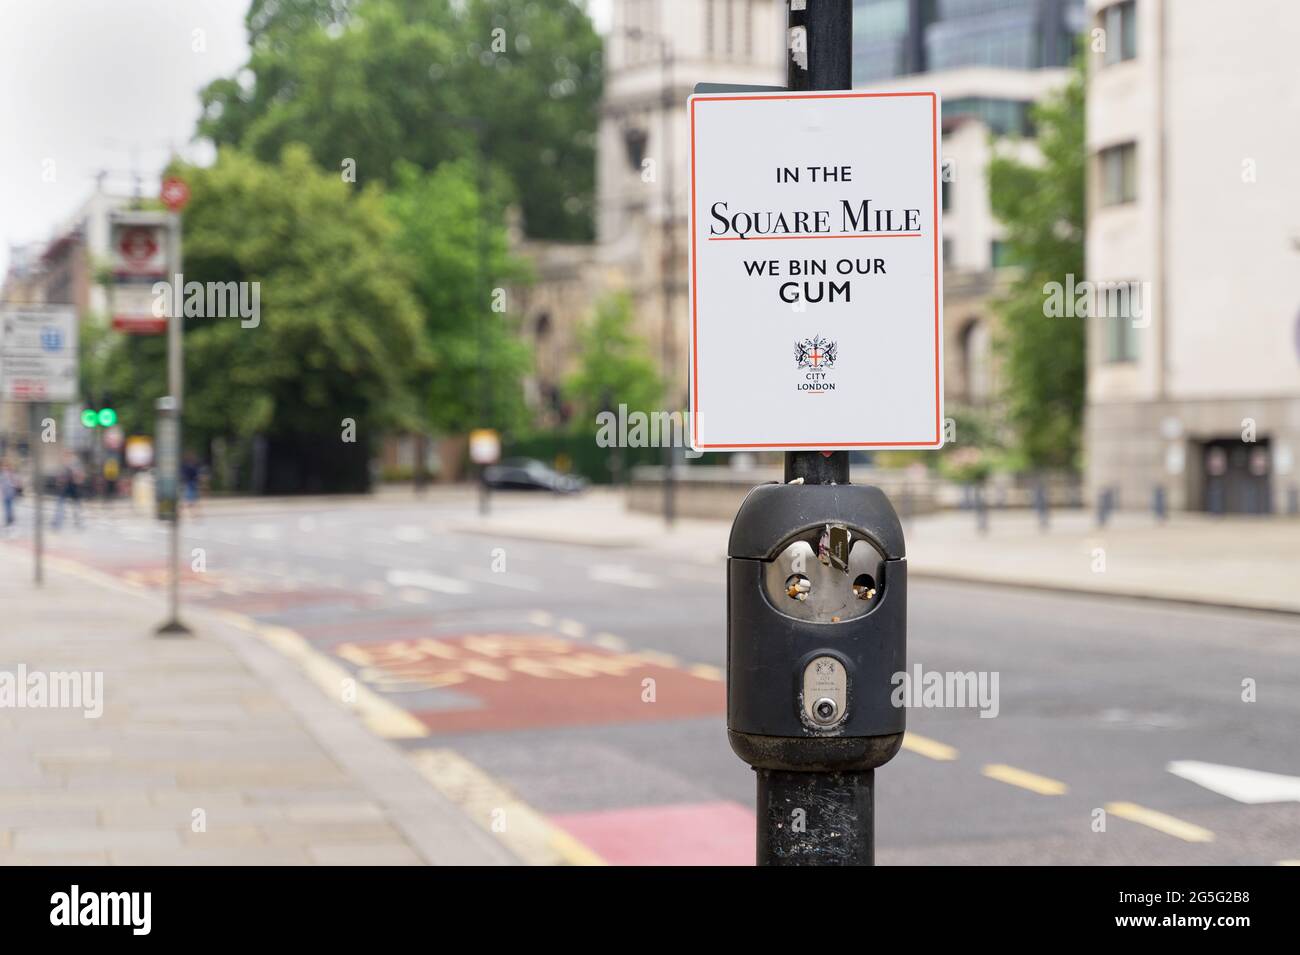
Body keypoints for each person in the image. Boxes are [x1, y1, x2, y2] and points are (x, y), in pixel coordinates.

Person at [51, 457, 85, 530]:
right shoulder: (65, 469)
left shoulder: (73, 469)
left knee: (75, 508)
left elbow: (80, 479)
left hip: (73, 490)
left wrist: (76, 479)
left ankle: (79, 523)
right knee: (62, 507)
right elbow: (60, 479)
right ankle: (57, 523)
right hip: (66, 490)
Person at [0, 460, 20, 532]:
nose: (4, 467)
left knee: (8, 507)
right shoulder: (9, 473)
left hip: (9, 493)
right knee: (8, 507)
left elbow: (16, 483)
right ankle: (10, 520)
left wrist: (12, 485)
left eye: (5, 466)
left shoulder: (7, 474)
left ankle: (9, 521)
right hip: (8, 493)